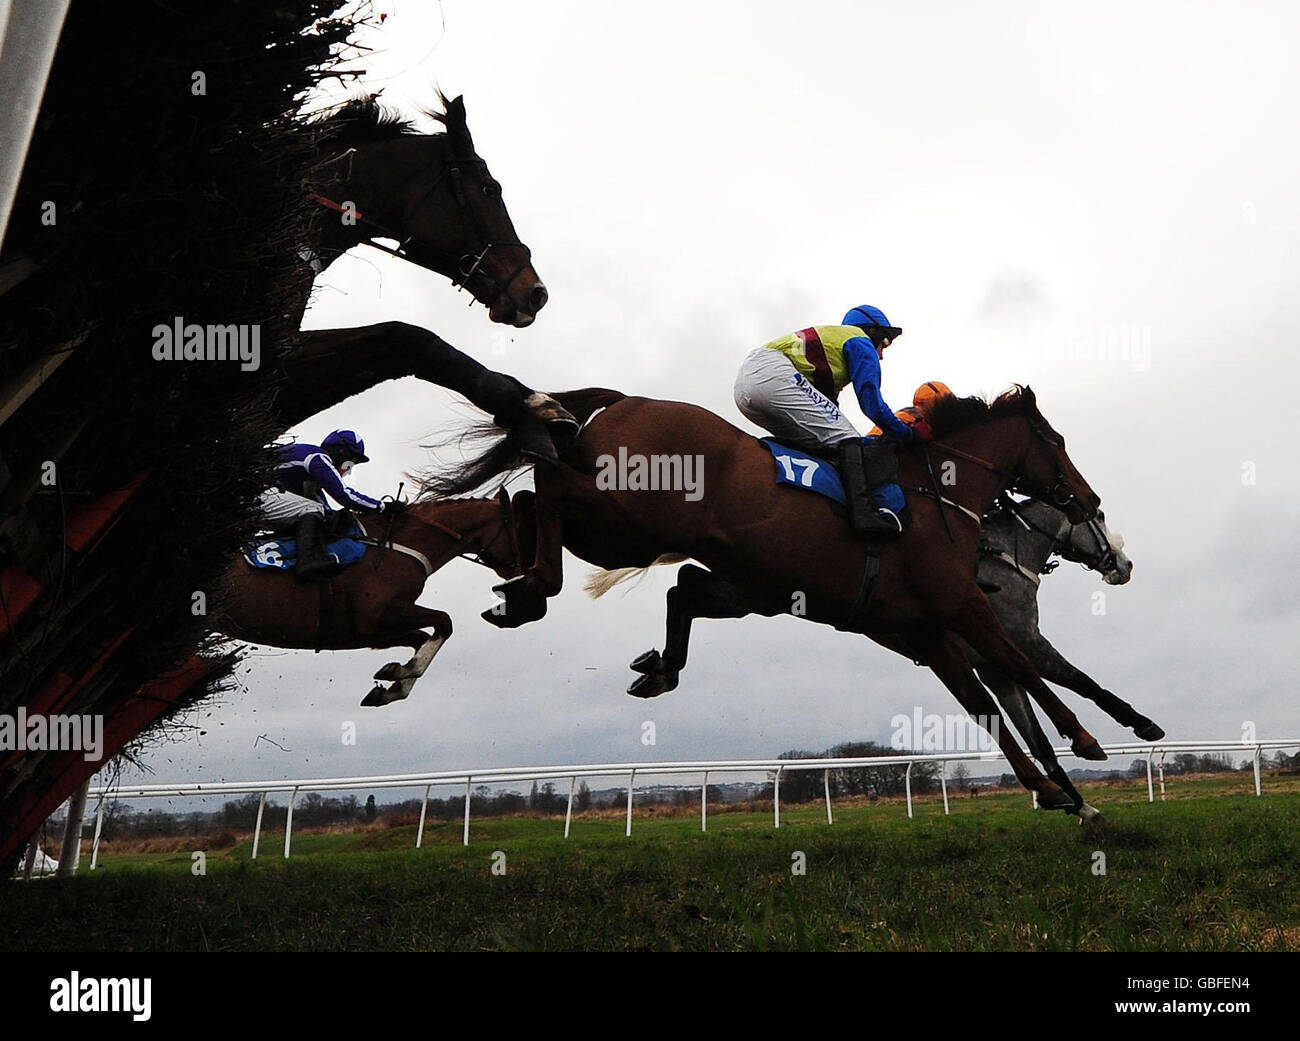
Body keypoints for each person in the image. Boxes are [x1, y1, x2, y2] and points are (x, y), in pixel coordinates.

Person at [734, 304, 930, 538]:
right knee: (847, 437)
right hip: (774, 374)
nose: (881, 354)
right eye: (884, 343)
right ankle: (863, 515)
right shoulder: (860, 341)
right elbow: (873, 405)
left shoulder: (827, 355)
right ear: (871, 331)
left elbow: (830, 411)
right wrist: (907, 434)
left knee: (824, 444)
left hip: (746, 387)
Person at [260, 429, 400, 579]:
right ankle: (307, 561)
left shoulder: (309, 473)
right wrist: (382, 506)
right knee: (312, 509)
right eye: (351, 462)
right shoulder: (318, 458)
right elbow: (344, 495)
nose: (349, 470)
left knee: (317, 513)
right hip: (255, 493)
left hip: (260, 494)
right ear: (341, 451)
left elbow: (323, 508)